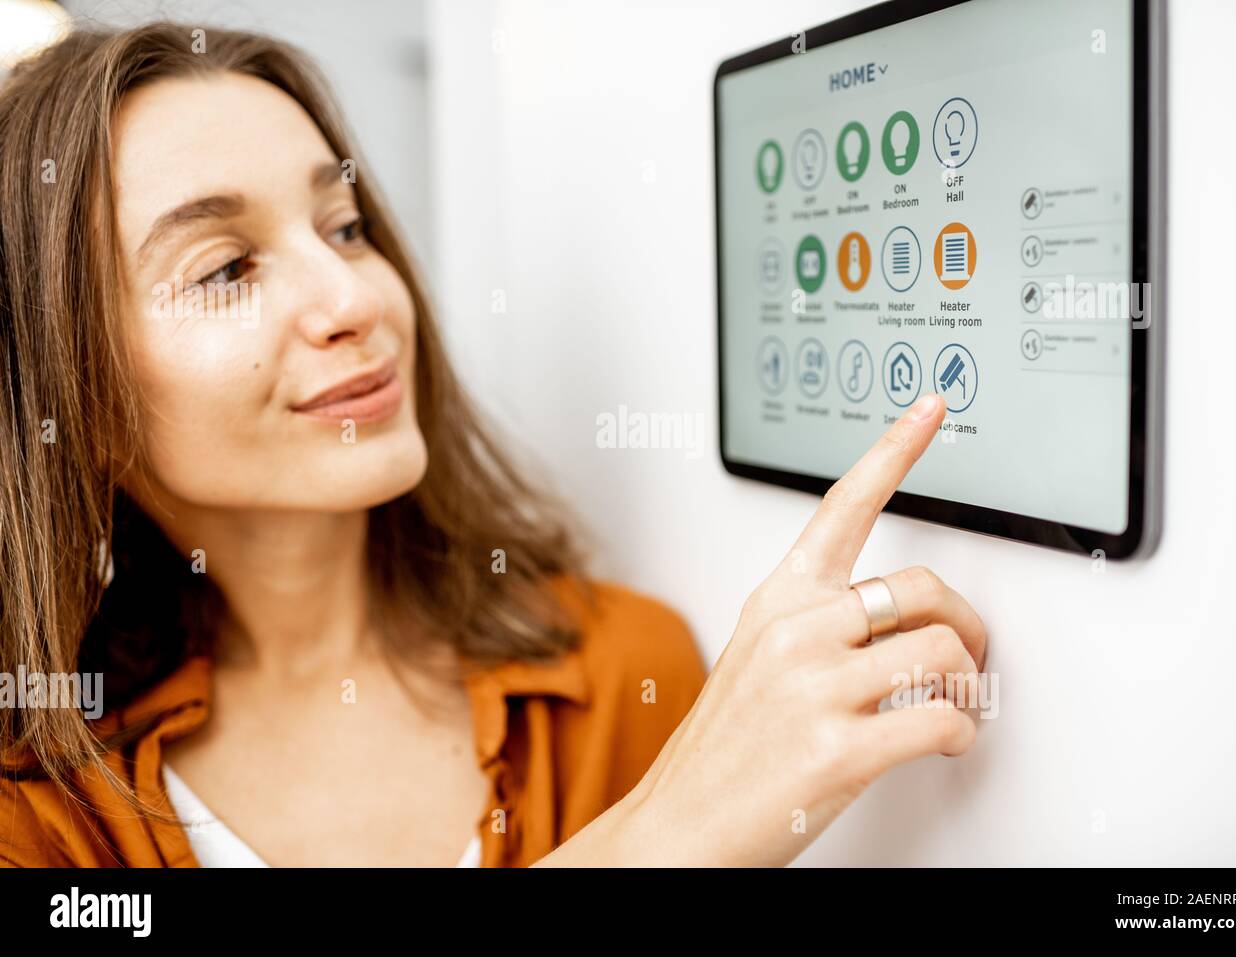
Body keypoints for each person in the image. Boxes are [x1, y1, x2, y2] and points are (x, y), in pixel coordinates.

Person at [0, 23, 987, 868]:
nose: (356, 300)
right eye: (225, 268)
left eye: (344, 228)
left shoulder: (618, 671)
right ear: (65, 388)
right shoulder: (36, 803)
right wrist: (656, 837)